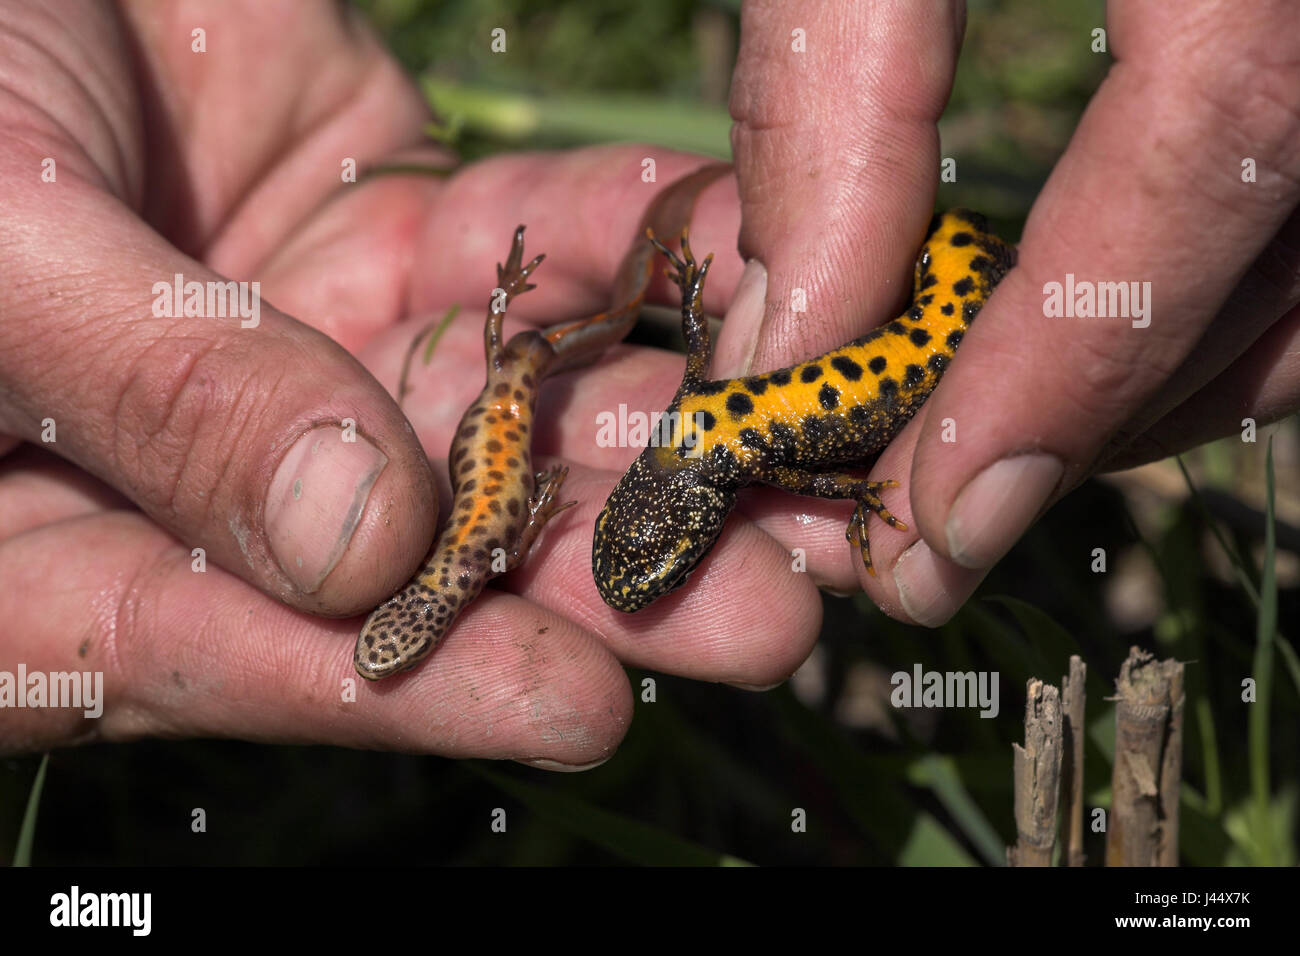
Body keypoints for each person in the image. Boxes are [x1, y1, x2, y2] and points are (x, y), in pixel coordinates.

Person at [1, 1, 1296, 767]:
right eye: (650, 560)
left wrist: (846, 496)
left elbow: (786, 456)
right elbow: (768, 449)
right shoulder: (699, 444)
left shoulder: (711, 450)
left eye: (653, 562)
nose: (655, 569)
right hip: (934, 306)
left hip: (927, 302)